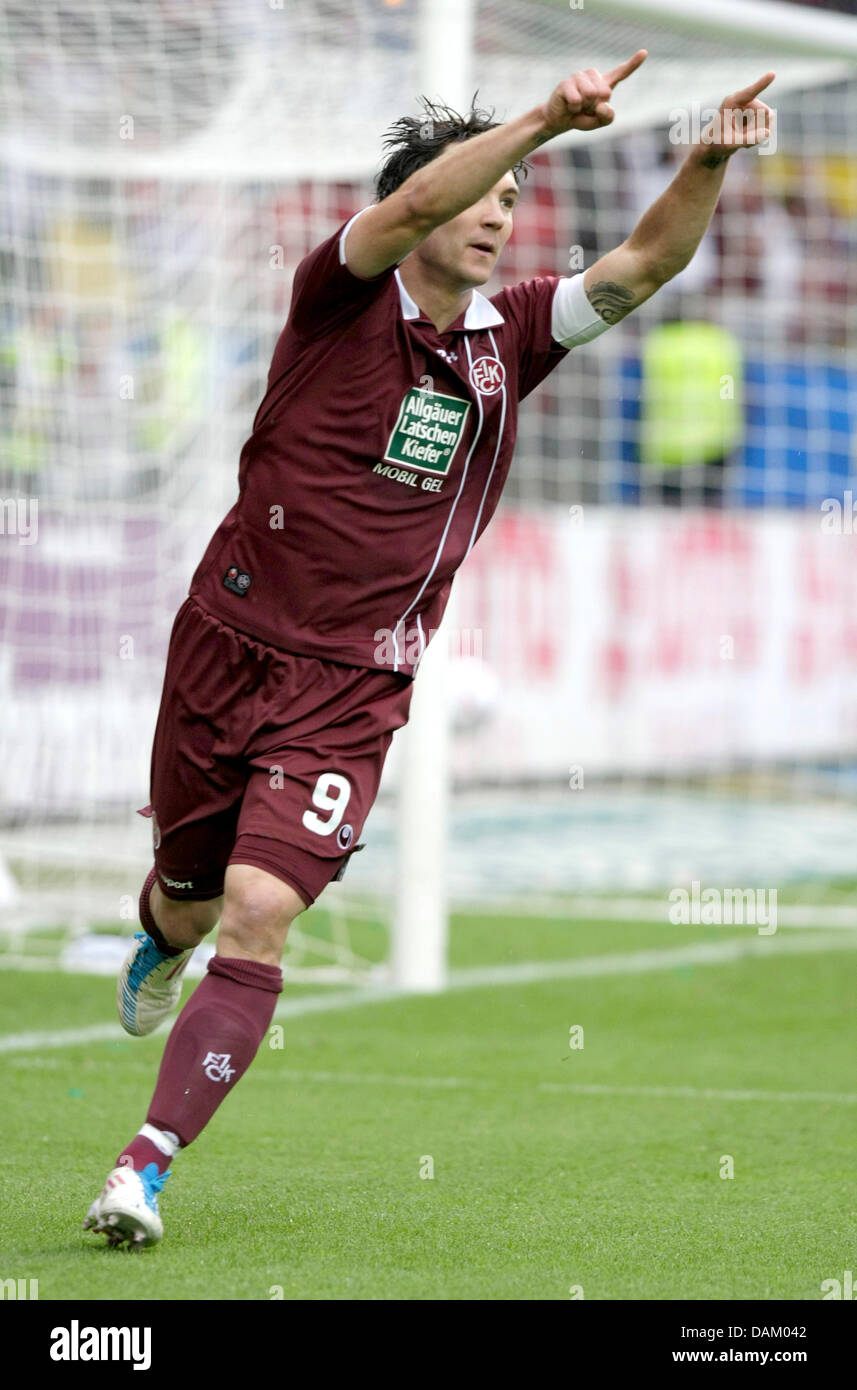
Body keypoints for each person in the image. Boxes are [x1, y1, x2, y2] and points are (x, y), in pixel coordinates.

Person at [84, 54, 774, 1247]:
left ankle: (140, 1167)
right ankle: (160, 929)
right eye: (484, 196)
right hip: (228, 638)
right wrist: (540, 122)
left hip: (353, 684)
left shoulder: (513, 336)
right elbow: (403, 207)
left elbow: (647, 263)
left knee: (259, 908)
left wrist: (704, 159)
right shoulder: (338, 294)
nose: (499, 220)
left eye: (513, 206)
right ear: (432, 200)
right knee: (192, 901)